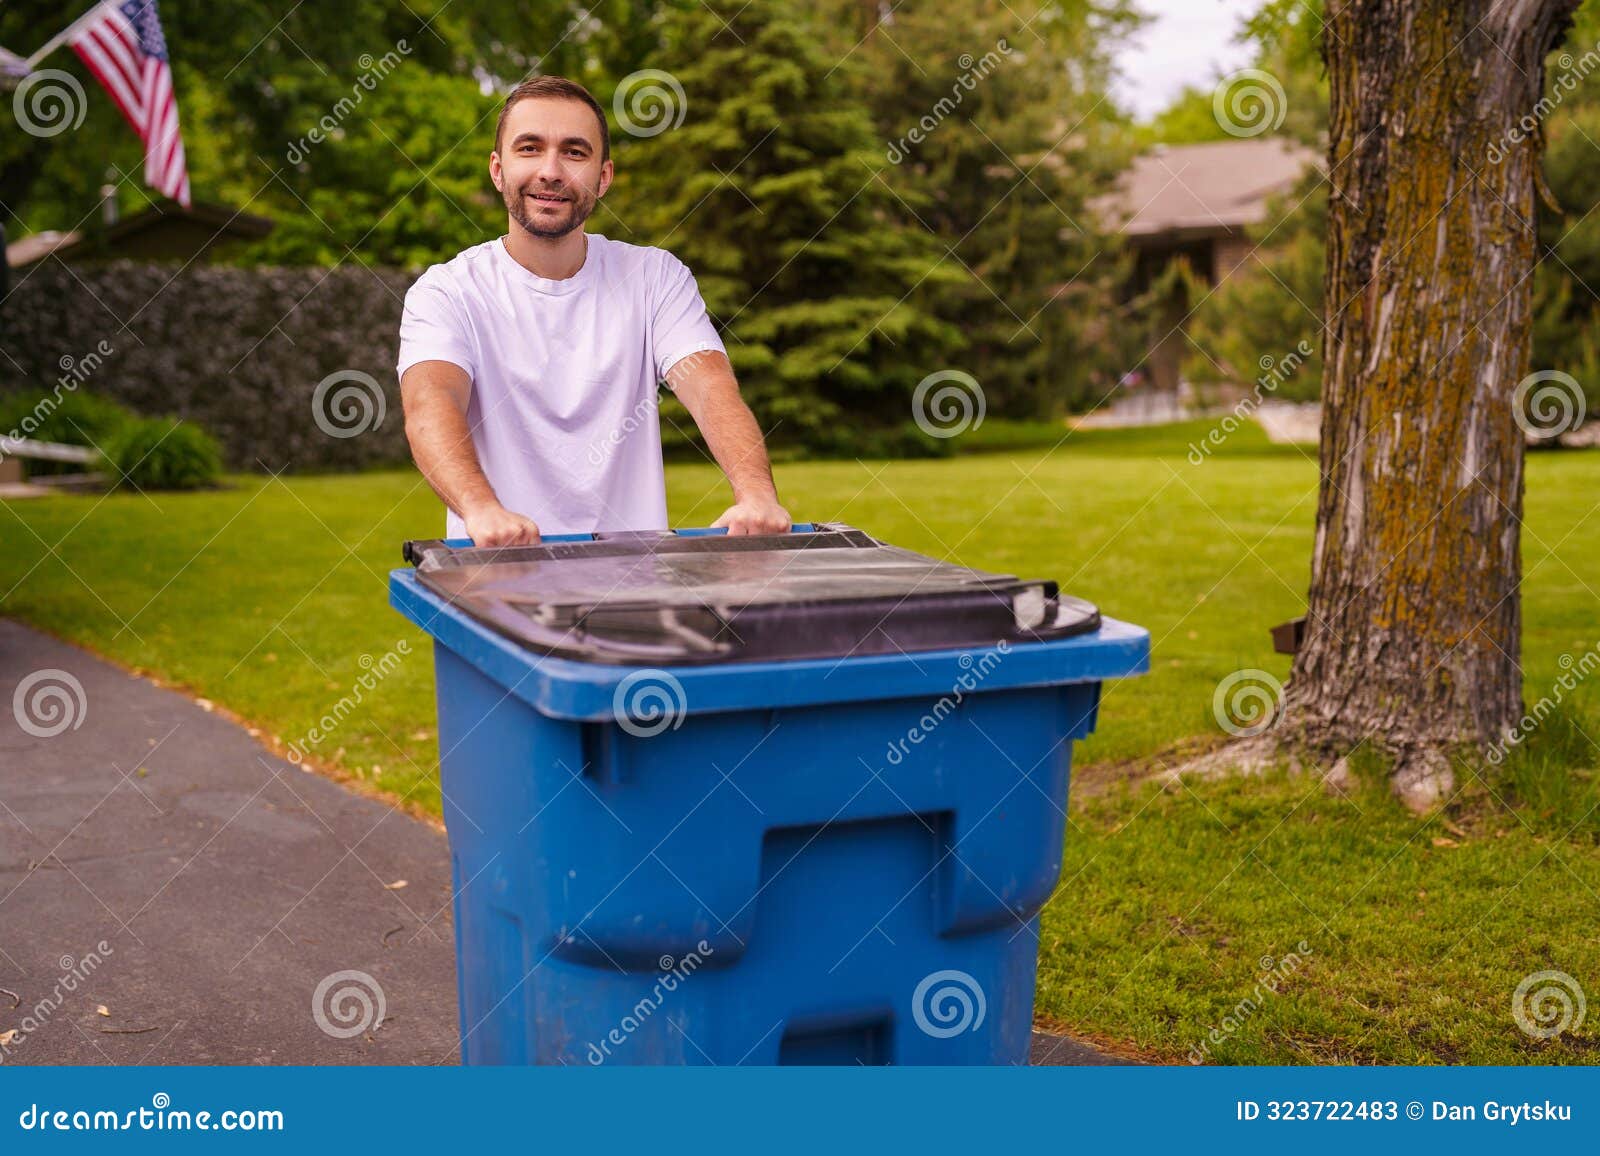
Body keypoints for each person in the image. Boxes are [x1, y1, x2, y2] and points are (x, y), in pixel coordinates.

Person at [397, 75, 789, 546]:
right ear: (498, 170)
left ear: (603, 177)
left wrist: (757, 494)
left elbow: (709, 387)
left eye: (574, 152)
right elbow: (430, 405)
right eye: (529, 148)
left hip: (635, 589)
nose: (551, 170)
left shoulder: (654, 277)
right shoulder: (446, 291)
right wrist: (481, 510)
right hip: (497, 580)